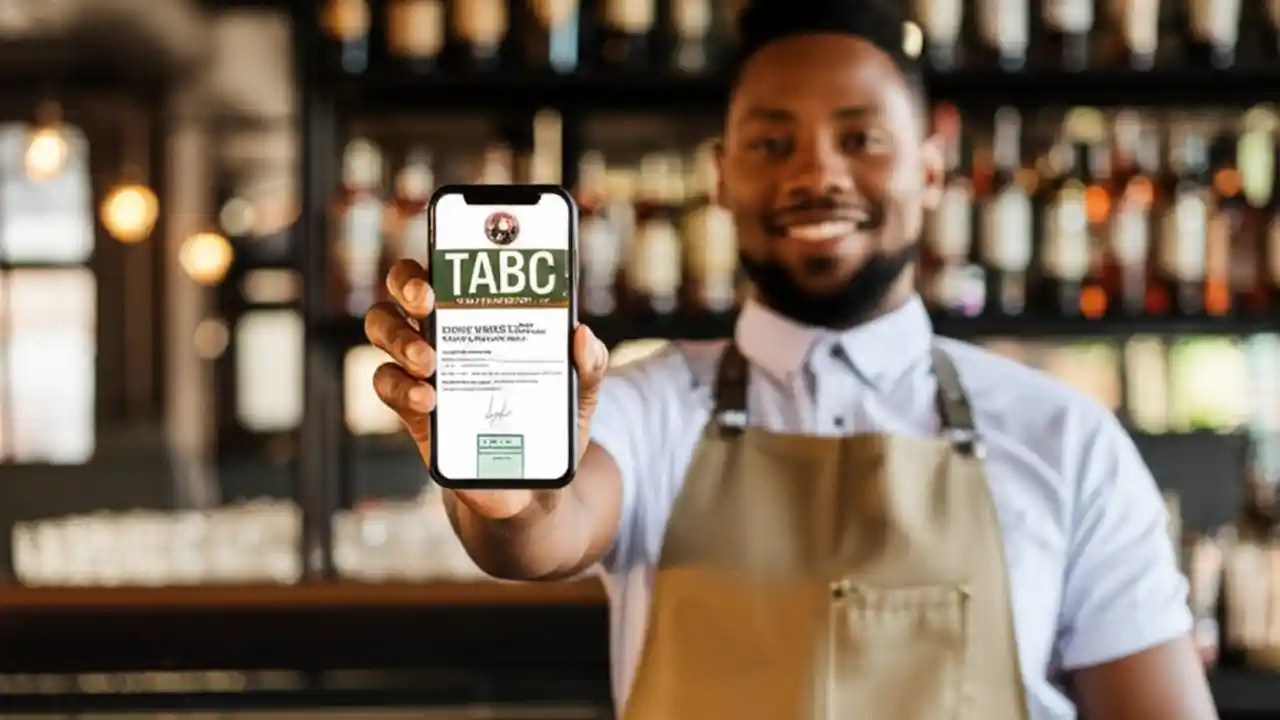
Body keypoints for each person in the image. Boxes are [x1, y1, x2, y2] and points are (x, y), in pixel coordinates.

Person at [363, 1, 1218, 717]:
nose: (819, 174)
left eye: (863, 139)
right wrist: (506, 498)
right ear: (723, 176)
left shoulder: (1066, 439)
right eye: (774, 145)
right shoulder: (647, 406)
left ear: (930, 171)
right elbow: (546, 528)